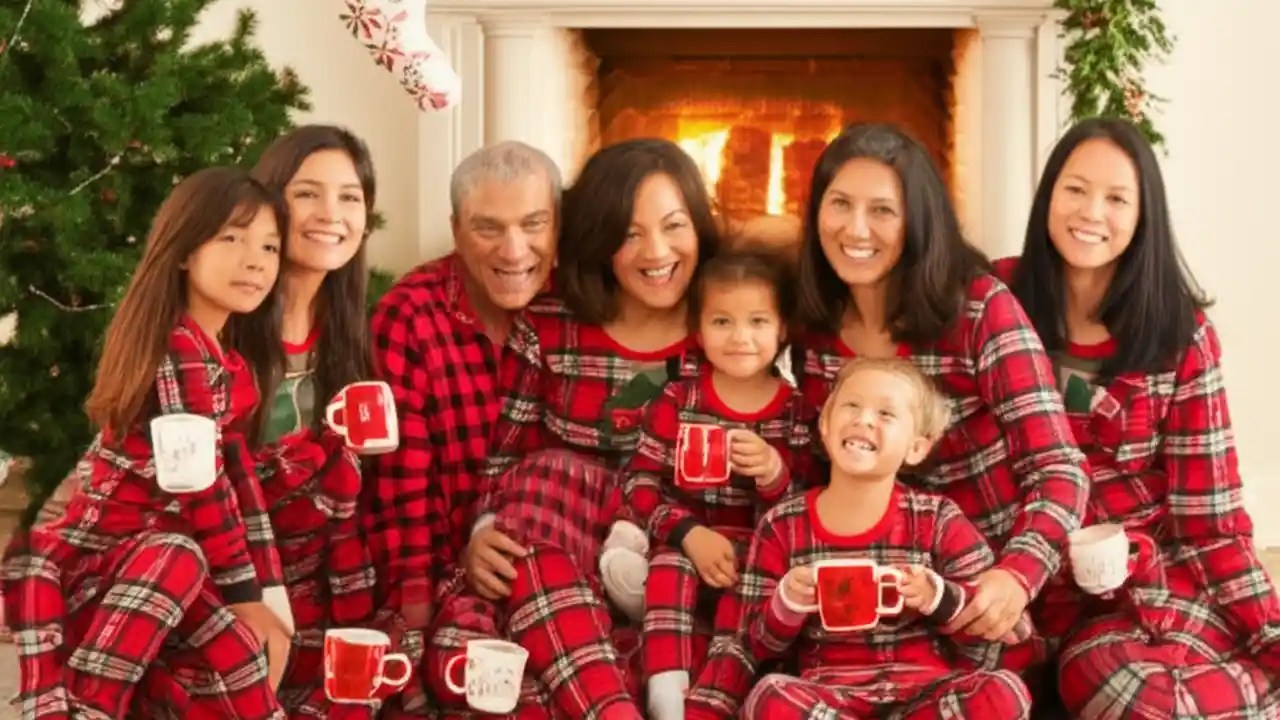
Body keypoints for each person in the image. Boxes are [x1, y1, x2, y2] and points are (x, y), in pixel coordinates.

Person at [688, 122, 1089, 717]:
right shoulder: (814, 322)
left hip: (970, 583)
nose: (855, 230)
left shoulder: (980, 309)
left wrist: (1014, 576)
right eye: (839, 205)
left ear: (917, 221)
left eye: (882, 211)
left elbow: (1059, 468)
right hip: (855, 595)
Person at [429, 138, 720, 719]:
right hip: (559, 554)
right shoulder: (554, 321)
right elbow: (505, 457)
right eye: (629, 233)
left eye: (673, 226)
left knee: (528, 679)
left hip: (668, 553)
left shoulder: (728, 326)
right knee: (546, 479)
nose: (655, 251)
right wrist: (485, 528)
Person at [1001, 117, 1280, 718]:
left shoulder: (1180, 335)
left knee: (1203, 683)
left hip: (1148, 584)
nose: (1091, 212)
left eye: (1116, 198)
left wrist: (1270, 634)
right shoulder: (995, 304)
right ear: (1048, 196)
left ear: (1143, 215)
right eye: (1074, 189)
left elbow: (1210, 519)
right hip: (1027, 586)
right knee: (1133, 691)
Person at [1, 168, 290, 718]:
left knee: (241, 664)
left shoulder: (221, 359)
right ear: (183, 250)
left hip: (162, 565)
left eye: (270, 246)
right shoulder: (177, 348)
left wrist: (261, 586)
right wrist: (246, 591)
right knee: (181, 557)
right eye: (231, 237)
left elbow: (235, 476)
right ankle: (88, 704)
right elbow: (205, 487)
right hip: (107, 564)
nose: (255, 259)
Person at [694, 357, 1034, 720]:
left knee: (1003, 692)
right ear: (825, 424)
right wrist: (787, 603)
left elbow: (1002, 630)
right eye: (851, 406)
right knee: (770, 696)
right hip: (828, 698)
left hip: (927, 695)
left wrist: (937, 597)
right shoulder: (783, 524)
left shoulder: (937, 518)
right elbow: (754, 645)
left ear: (917, 447)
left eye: (886, 414)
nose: (864, 419)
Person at [363, 140, 562, 715]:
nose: (514, 249)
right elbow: (403, 505)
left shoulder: (577, 306)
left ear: (559, 224)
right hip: (456, 581)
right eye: (487, 228)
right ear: (455, 230)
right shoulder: (409, 317)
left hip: (564, 573)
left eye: (534, 223)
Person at [601, 250, 816, 719]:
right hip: (689, 541)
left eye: (758, 321)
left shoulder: (796, 412)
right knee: (670, 566)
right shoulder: (679, 399)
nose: (741, 337)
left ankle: (723, 691)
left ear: (781, 330)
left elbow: (808, 508)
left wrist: (775, 475)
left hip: (759, 556)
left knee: (751, 597)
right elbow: (639, 482)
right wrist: (687, 533)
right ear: (699, 332)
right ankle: (667, 696)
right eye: (722, 322)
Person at [231, 124, 381, 717]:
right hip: (233, 561)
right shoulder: (229, 320)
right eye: (307, 193)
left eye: (350, 196)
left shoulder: (350, 340)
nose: (331, 213)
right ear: (271, 204)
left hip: (318, 565)